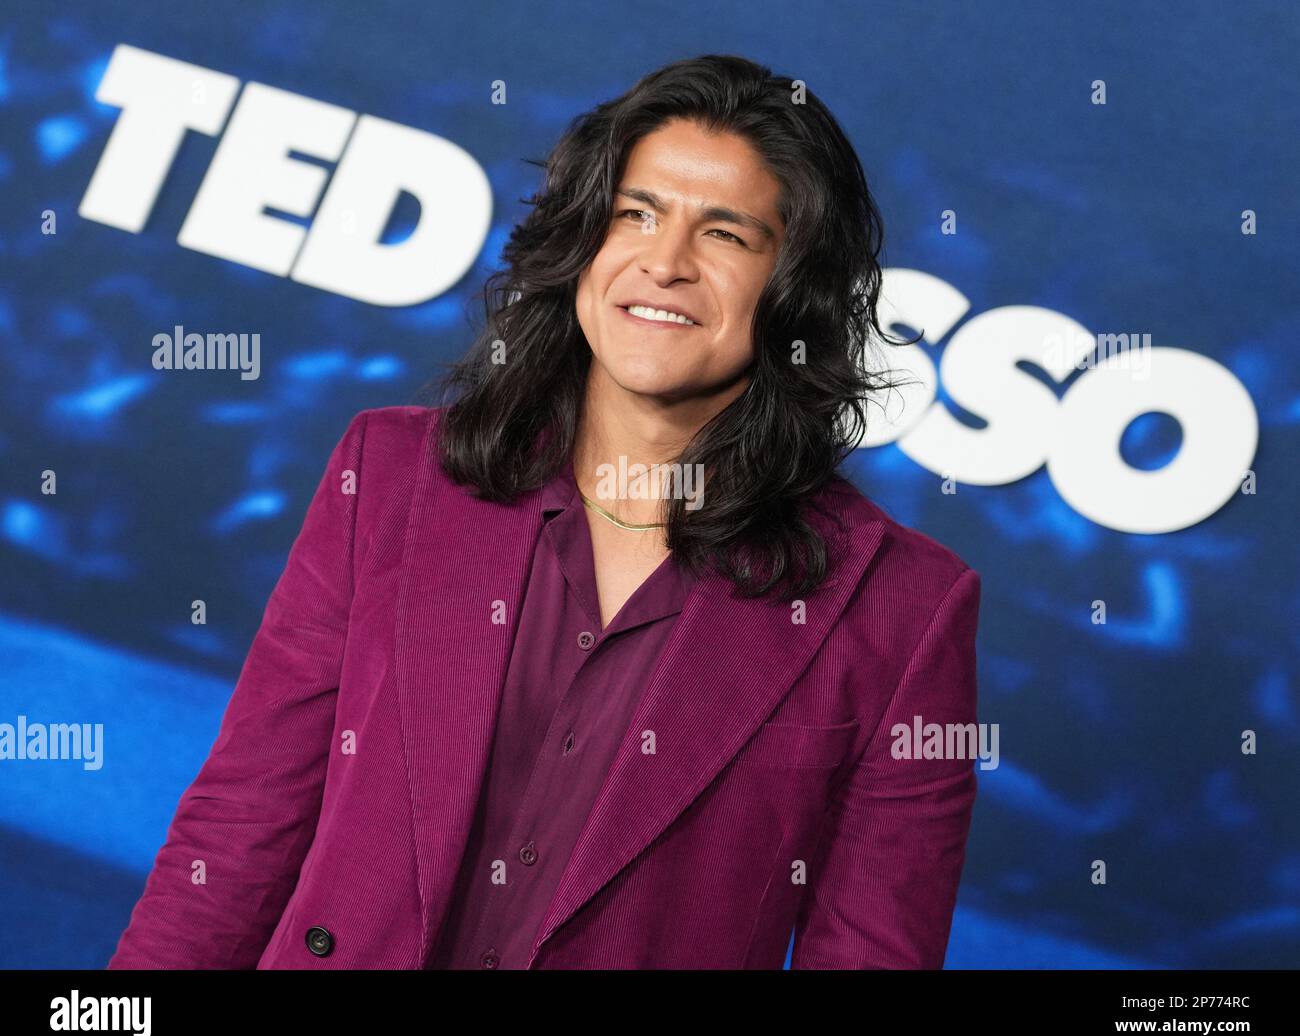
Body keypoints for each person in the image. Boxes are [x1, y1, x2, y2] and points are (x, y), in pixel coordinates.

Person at [109, 53, 981, 971]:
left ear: (795, 288)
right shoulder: (395, 475)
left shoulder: (902, 609)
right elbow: (246, 821)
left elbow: (874, 952)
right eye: (635, 215)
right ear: (582, 245)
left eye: (726, 236)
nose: (665, 262)